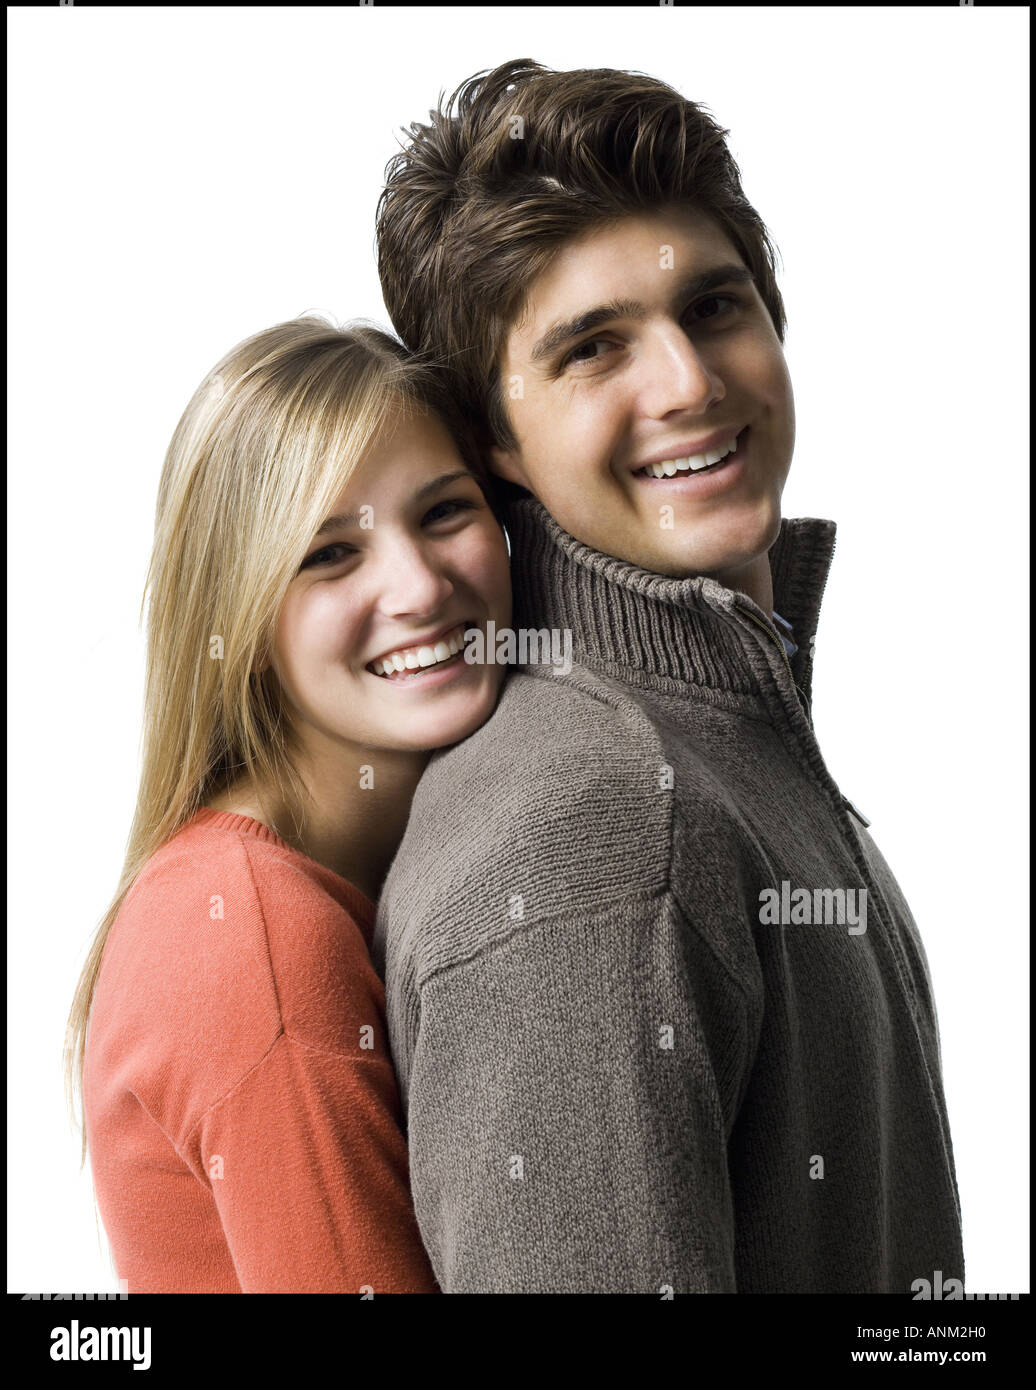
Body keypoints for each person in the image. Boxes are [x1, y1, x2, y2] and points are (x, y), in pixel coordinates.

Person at [371, 59, 966, 1293]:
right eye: (594, 349)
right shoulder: (597, 828)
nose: (689, 386)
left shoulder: (718, 735)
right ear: (493, 437)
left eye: (713, 308)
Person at [64, 316, 512, 1292]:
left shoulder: (307, 884)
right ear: (244, 617)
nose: (417, 584)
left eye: (443, 513)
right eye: (328, 555)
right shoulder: (257, 936)